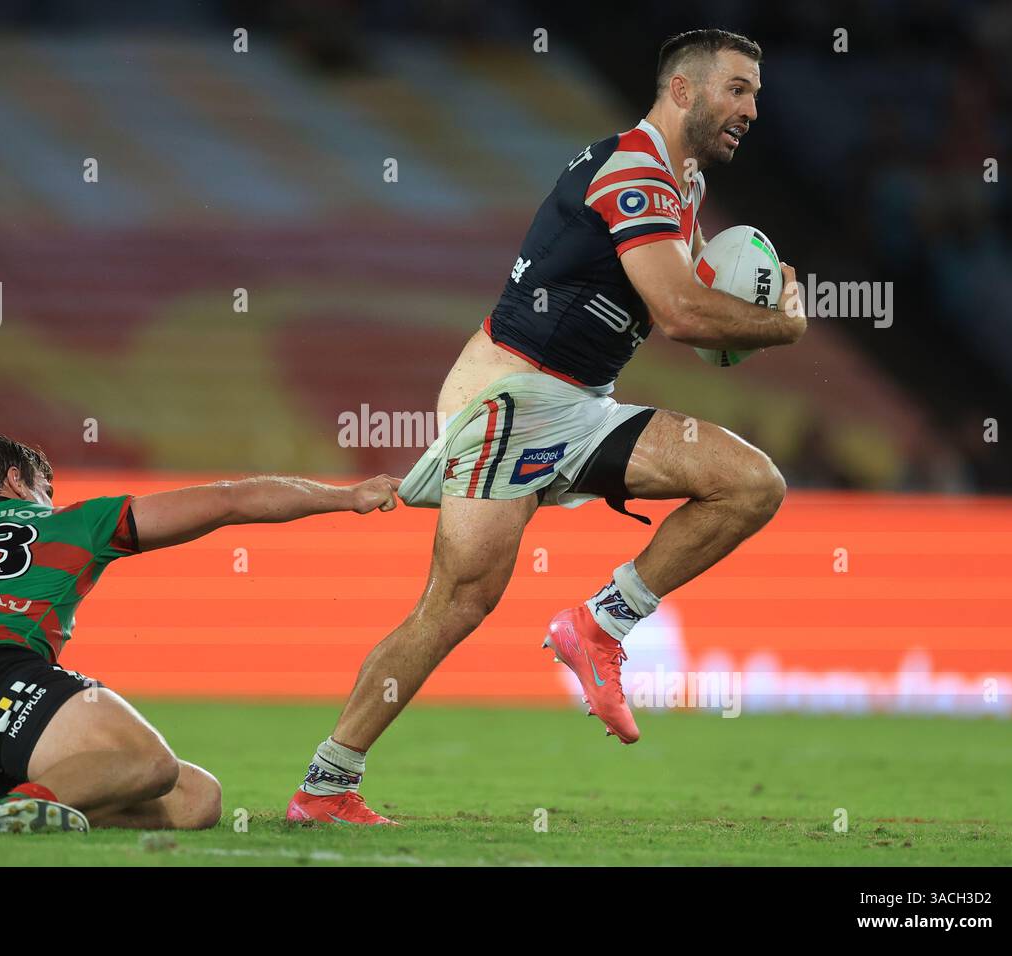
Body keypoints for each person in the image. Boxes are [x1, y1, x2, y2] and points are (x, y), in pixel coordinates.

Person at [286, 29, 807, 825]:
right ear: (682, 91)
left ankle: (599, 624)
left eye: (756, 94)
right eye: (738, 89)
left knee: (748, 483)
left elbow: (702, 323)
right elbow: (679, 312)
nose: (752, 109)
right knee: (459, 602)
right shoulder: (635, 171)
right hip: (512, 400)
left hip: (577, 403)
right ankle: (324, 787)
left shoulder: (685, 181)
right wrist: (782, 325)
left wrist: (744, 314)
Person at [0, 432, 399, 832]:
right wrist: (346, 496)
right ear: (15, 479)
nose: (50, 497)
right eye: (45, 485)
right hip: (3, 681)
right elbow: (230, 500)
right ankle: (2, 817)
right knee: (150, 763)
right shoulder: (63, 523)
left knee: (196, 800)